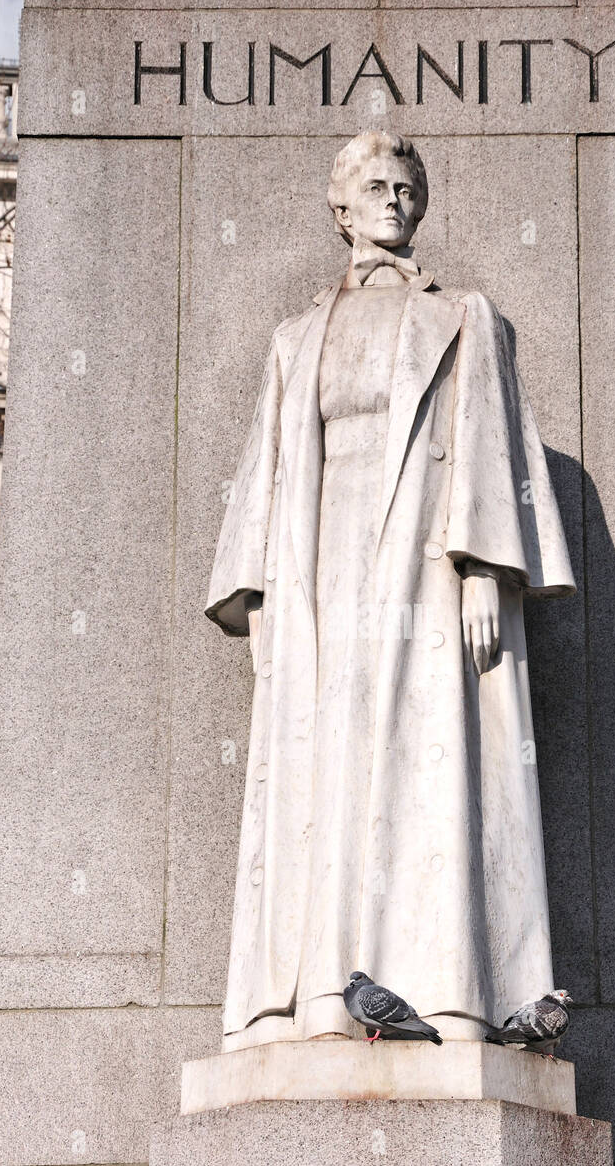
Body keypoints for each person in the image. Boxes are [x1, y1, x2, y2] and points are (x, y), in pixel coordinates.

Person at [206, 131, 575, 1048]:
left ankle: (445, 989)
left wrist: (489, 568)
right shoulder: (296, 339)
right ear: (340, 209)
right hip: (322, 573)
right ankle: (321, 1000)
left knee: (430, 769)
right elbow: (269, 469)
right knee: (322, 777)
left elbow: (491, 445)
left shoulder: (466, 318)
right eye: (373, 187)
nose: (392, 201)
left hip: (426, 565)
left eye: (406, 187)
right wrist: (257, 598)